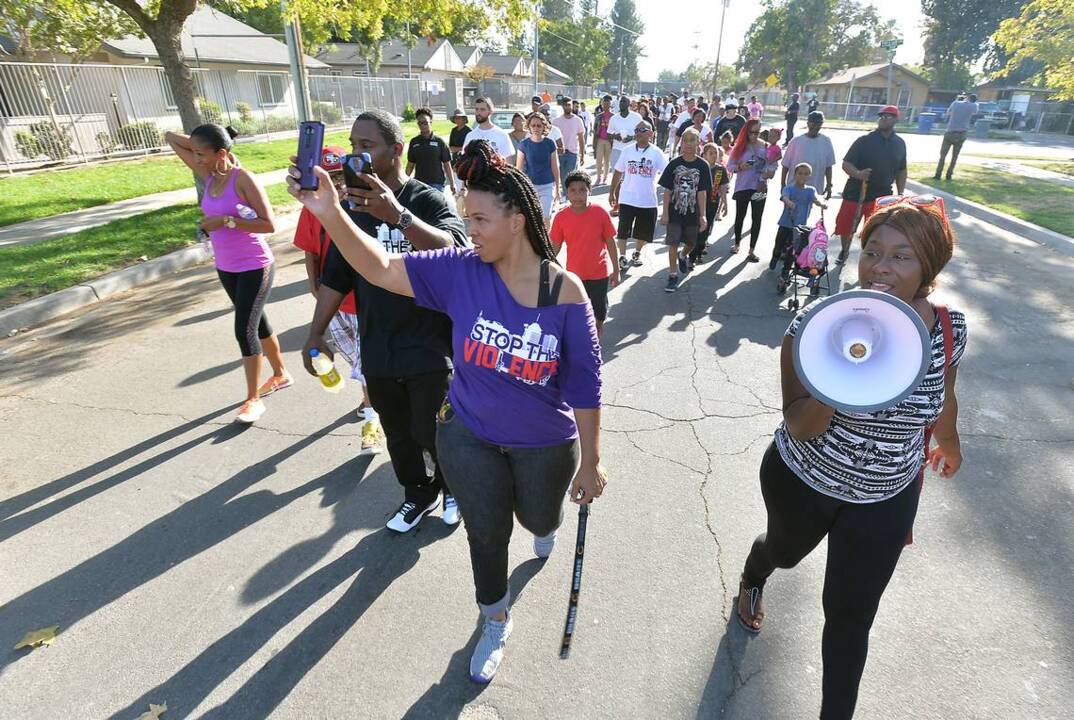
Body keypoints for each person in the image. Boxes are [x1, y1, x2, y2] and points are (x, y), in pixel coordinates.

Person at [287, 137, 607, 685]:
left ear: (517, 219)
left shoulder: (563, 290)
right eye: (466, 217)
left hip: (545, 443)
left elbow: (585, 382)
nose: (470, 229)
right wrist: (330, 210)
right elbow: (384, 267)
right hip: (470, 434)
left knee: (539, 520)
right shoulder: (462, 269)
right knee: (485, 534)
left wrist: (591, 460)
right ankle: (494, 619)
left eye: (480, 218)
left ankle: (541, 524)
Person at [737, 195, 966, 720]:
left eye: (902, 255)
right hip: (805, 479)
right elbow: (801, 422)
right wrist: (841, 377)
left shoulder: (949, 327)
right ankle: (754, 575)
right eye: (873, 251)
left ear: (929, 265)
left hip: (886, 496)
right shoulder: (816, 325)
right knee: (784, 552)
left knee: (849, 616)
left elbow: (945, 392)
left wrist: (948, 441)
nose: (881, 266)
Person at [307, 110, 468, 534]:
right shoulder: (351, 212)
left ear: (396, 151)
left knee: (433, 428)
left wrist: (398, 215)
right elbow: (336, 277)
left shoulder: (426, 200)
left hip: (430, 345)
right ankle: (417, 494)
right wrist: (315, 332)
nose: (355, 156)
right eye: (352, 146)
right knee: (398, 434)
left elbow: (455, 249)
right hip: (378, 345)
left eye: (367, 146)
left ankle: (453, 487)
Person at [165, 124, 287, 424]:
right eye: (193, 153)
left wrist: (227, 221)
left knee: (244, 330)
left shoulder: (243, 179)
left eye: (201, 154)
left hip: (255, 265)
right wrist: (206, 144)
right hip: (227, 266)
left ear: (220, 153)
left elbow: (269, 224)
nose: (196, 159)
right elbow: (170, 138)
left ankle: (252, 399)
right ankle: (281, 374)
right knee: (259, 323)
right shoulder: (208, 175)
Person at [293, 146, 384, 452]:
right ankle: (370, 396)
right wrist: (314, 287)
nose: (338, 185)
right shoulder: (312, 209)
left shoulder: (364, 207)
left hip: (364, 303)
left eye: (340, 176)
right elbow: (310, 249)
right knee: (356, 361)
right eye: (329, 177)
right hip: (334, 304)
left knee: (367, 363)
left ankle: (372, 421)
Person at [551, 170, 619, 338]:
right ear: (567, 193)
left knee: (598, 316)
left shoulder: (600, 213)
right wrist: (546, 268)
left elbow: (611, 243)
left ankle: (597, 343)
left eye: (582, 190)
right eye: (573, 190)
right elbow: (555, 247)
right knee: (578, 316)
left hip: (599, 274)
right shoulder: (561, 217)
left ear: (590, 191)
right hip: (574, 276)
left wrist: (616, 270)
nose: (578, 195)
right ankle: (583, 346)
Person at [834, 106, 907, 265]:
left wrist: (900, 193)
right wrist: (858, 174)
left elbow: (902, 170)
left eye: (888, 116)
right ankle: (844, 249)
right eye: (882, 116)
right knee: (846, 227)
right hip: (856, 192)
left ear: (896, 120)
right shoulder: (864, 141)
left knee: (877, 230)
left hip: (882, 196)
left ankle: (869, 256)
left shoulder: (900, 144)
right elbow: (846, 163)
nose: (884, 119)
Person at [610, 119, 668, 271]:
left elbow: (667, 173)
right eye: (636, 130)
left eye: (642, 130)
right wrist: (612, 192)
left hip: (647, 200)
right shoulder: (627, 150)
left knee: (643, 231)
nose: (638, 133)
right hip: (627, 198)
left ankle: (637, 253)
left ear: (650, 133)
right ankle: (622, 256)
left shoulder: (657, 153)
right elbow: (618, 171)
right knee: (623, 230)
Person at [658, 128, 711, 292]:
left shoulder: (702, 165)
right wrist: (665, 212)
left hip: (693, 212)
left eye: (692, 140)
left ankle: (683, 255)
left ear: (698, 143)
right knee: (673, 243)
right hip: (674, 211)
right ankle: (672, 275)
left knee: (691, 242)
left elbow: (702, 192)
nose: (688, 143)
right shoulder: (674, 163)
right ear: (681, 143)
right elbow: (667, 190)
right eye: (685, 140)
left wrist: (703, 215)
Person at [727, 118, 772, 261]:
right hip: (743, 187)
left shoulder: (766, 147)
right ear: (746, 132)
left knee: (756, 218)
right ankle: (737, 244)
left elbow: (772, 166)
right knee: (740, 216)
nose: (754, 135)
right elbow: (729, 166)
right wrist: (740, 167)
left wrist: (766, 176)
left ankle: (752, 250)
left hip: (760, 187)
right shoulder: (740, 146)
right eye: (751, 132)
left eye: (757, 132)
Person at [769, 161, 827, 271]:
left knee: (793, 249)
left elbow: (815, 199)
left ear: (810, 176)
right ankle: (775, 257)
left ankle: (786, 269)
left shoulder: (810, 190)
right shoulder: (789, 188)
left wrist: (822, 204)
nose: (803, 176)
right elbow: (784, 197)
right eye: (800, 173)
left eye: (806, 173)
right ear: (795, 174)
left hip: (799, 227)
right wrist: (788, 202)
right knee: (779, 245)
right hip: (786, 223)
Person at [690, 141, 730, 266]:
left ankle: (699, 251)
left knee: (706, 229)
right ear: (704, 155)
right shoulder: (700, 167)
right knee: (697, 228)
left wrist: (724, 202)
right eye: (711, 153)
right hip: (698, 203)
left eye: (715, 153)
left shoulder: (720, 169)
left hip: (712, 203)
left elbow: (723, 187)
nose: (714, 155)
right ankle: (692, 254)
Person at [517, 112, 561, 225]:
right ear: (529, 127)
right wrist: (518, 188)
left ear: (544, 127)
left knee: (546, 216)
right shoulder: (524, 145)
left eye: (539, 125)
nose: (536, 128)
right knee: (532, 219)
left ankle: (546, 241)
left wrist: (557, 188)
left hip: (547, 185)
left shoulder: (550, 143)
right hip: (530, 186)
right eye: (533, 125)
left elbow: (555, 166)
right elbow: (519, 169)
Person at [781, 110, 835, 199]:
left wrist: (829, 186)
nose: (815, 126)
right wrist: (783, 185)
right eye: (813, 123)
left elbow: (828, 166)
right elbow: (785, 165)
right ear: (808, 123)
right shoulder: (796, 141)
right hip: (794, 190)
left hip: (815, 191)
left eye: (818, 123)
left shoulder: (826, 141)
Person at [406, 107, 456, 197]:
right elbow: (410, 165)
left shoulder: (439, 142)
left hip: (437, 184)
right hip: (419, 184)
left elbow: (447, 164)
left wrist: (452, 183)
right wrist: (404, 182)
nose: (422, 125)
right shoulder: (414, 142)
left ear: (431, 122)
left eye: (425, 123)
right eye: (420, 123)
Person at [935, 93, 978, 181]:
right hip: (962, 133)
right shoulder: (974, 106)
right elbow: (974, 112)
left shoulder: (955, 103)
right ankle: (949, 175)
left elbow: (948, 113)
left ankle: (938, 174)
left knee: (943, 155)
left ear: (968, 98)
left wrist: (960, 100)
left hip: (950, 131)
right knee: (955, 156)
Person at [608, 95, 644, 187]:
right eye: (621, 102)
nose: (622, 103)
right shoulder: (614, 118)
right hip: (617, 150)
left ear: (629, 104)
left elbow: (642, 133)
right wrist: (615, 136)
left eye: (624, 102)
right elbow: (608, 134)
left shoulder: (636, 117)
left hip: (632, 150)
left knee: (630, 176)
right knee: (617, 176)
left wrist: (631, 138)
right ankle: (618, 198)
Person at [553, 97, 586, 188]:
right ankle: (565, 195)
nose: (567, 107)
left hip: (572, 153)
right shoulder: (556, 122)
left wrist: (582, 154)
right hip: (559, 153)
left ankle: (568, 197)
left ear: (572, 106)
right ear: (562, 106)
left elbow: (581, 138)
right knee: (562, 177)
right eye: (565, 105)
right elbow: (553, 139)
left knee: (570, 178)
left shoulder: (578, 120)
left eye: (569, 105)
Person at [449, 108, 472, 216]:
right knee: (457, 187)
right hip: (455, 161)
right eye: (456, 118)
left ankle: (467, 209)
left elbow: (468, 148)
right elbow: (451, 147)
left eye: (460, 118)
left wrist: (458, 149)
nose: (458, 120)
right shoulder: (454, 131)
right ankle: (458, 210)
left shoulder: (469, 131)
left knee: (465, 186)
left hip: (466, 161)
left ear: (464, 119)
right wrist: (457, 149)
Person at [593, 95, 614, 186]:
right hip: (600, 140)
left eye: (608, 104)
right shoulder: (599, 116)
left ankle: (605, 178)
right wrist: (594, 142)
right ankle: (598, 177)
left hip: (609, 141)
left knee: (607, 160)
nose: (606, 105)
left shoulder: (614, 117)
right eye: (604, 103)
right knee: (599, 160)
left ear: (610, 105)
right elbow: (595, 129)